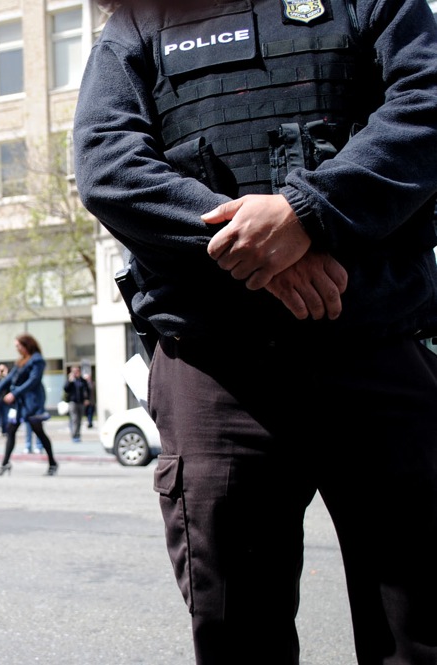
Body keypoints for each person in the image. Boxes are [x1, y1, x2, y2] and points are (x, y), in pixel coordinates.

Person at [73, 2, 437, 662]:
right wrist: (262, 245)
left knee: (420, 631)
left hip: (375, 342)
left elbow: (426, 104)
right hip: (217, 371)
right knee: (239, 635)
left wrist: (308, 213)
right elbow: (109, 168)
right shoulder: (141, 22)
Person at [0, 334, 56, 476]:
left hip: (32, 402)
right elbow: (9, 378)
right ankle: (5, 463)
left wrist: (14, 394)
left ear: (27, 345)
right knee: (11, 430)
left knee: (39, 432)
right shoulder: (21, 361)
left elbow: (33, 381)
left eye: (18, 346)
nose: (17, 349)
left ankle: (52, 463)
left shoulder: (37, 360)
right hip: (20, 404)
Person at [62, 366, 90, 443]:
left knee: (79, 420)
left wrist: (87, 399)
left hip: (81, 402)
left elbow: (87, 390)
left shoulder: (82, 381)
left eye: (77, 371)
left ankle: (78, 435)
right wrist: (70, 381)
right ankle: (74, 436)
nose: (76, 372)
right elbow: (65, 389)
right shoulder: (70, 380)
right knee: (74, 419)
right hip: (73, 402)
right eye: (74, 371)